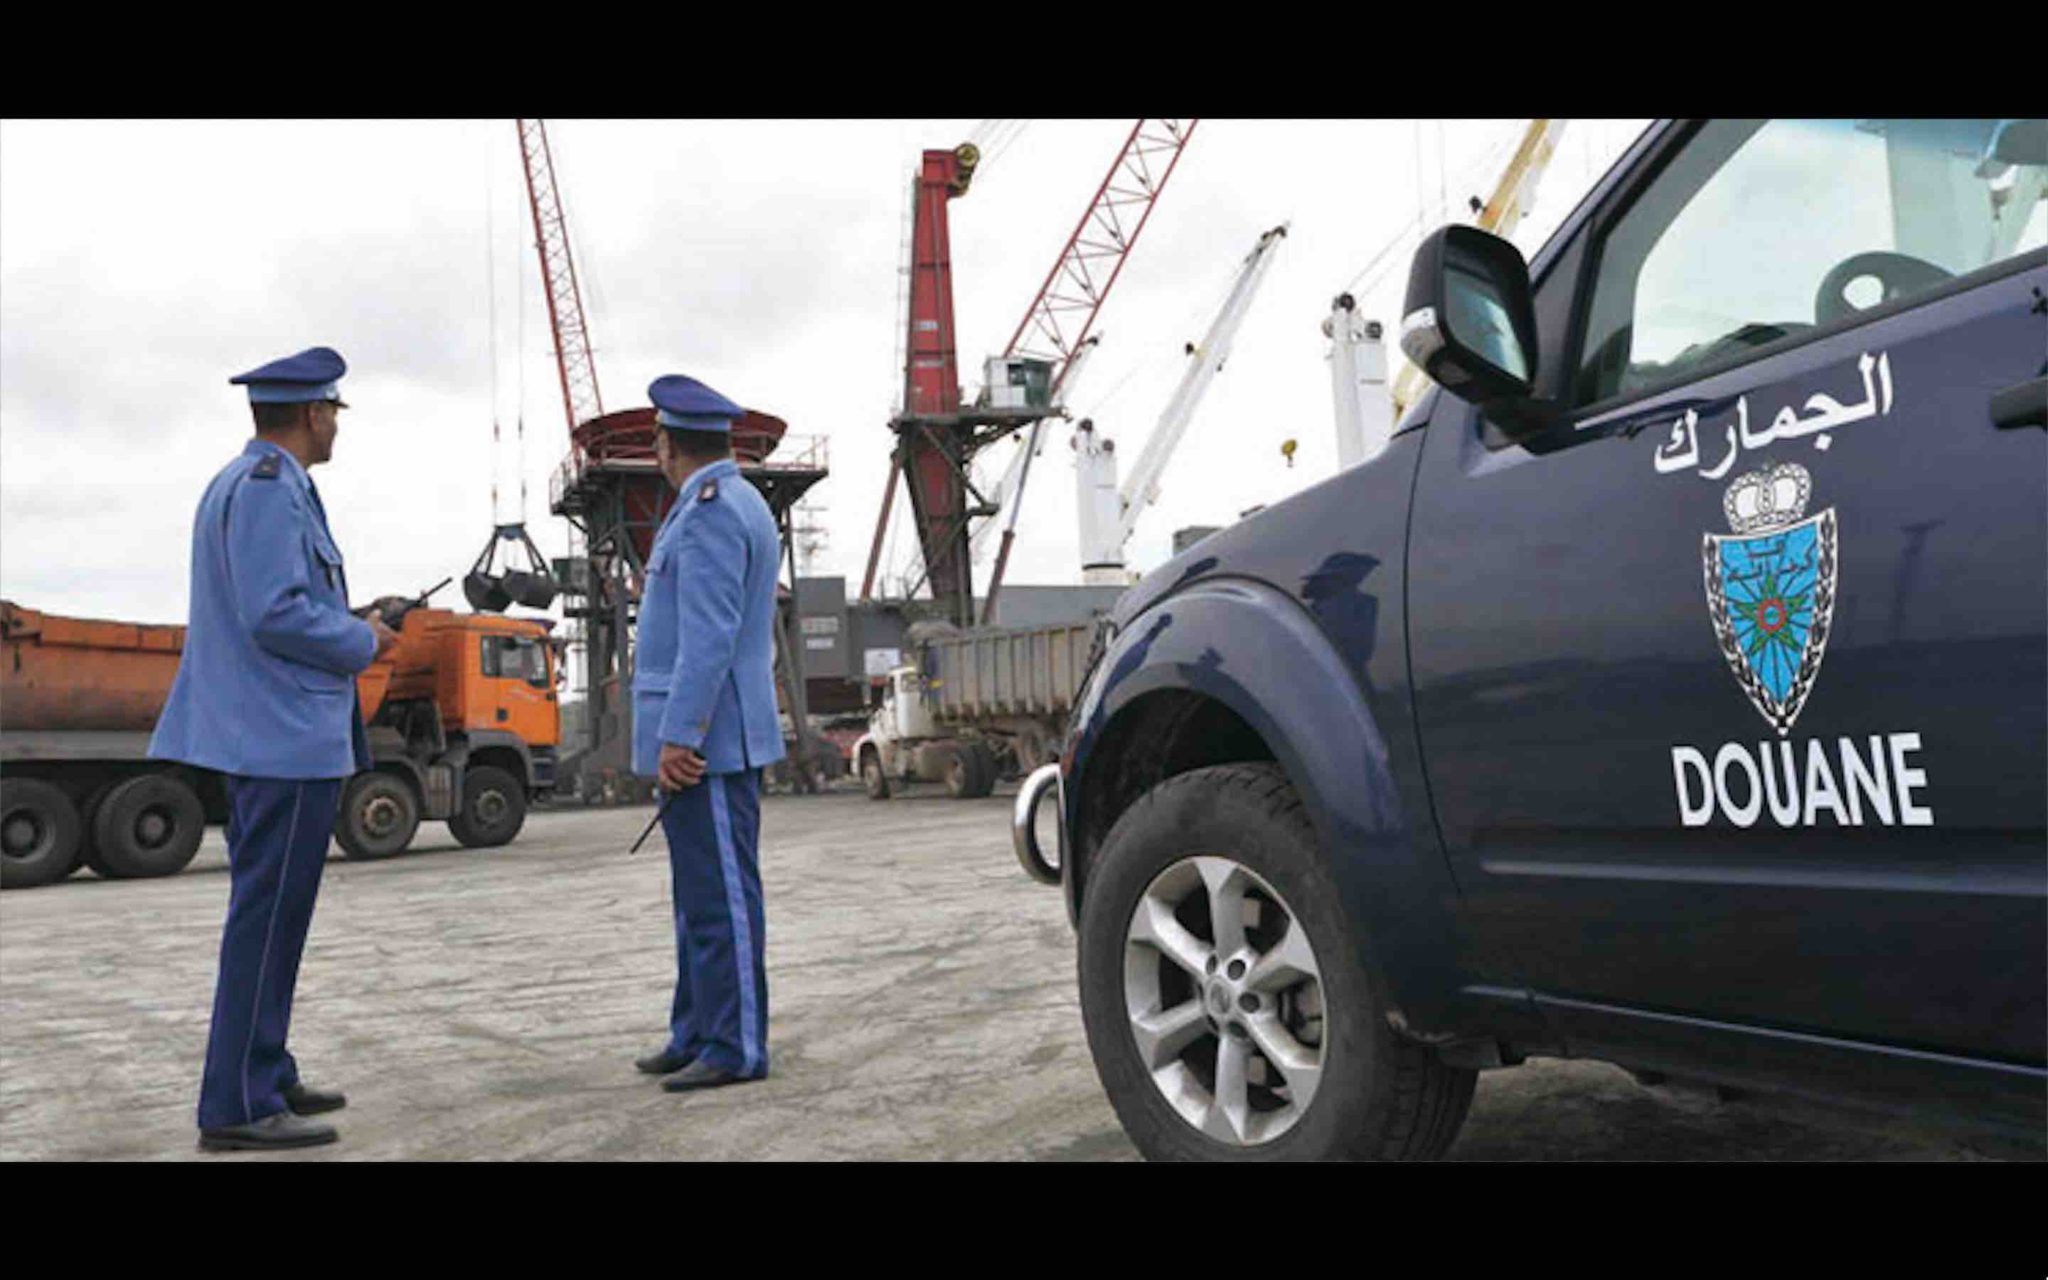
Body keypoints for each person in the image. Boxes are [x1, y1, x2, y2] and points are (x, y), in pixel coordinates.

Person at [150, 346, 398, 1151]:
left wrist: (353, 617)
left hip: (272, 731)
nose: (336, 428)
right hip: (282, 737)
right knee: (265, 921)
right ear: (316, 413)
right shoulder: (268, 491)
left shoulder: (254, 483)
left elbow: (279, 605)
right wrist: (363, 639)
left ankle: (266, 1066)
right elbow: (276, 612)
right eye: (334, 414)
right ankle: (238, 1105)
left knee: (277, 919)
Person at [629, 374, 785, 1092]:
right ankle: (696, 1029)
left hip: (708, 744)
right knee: (701, 894)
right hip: (710, 738)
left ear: (666, 445)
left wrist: (681, 734)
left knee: (720, 896)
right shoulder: (719, 503)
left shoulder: (713, 513)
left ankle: (736, 1044)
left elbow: (710, 635)